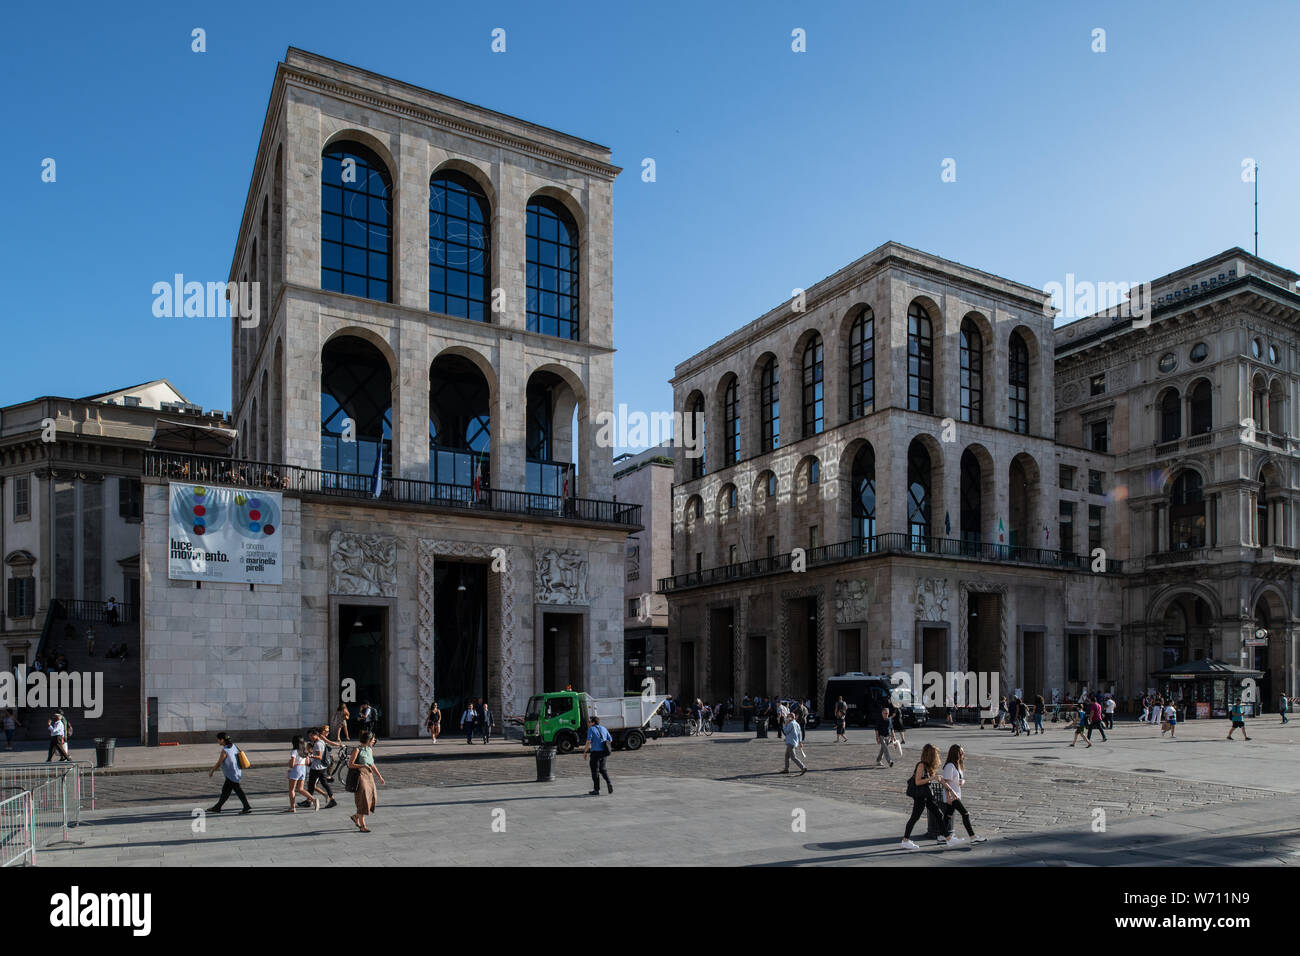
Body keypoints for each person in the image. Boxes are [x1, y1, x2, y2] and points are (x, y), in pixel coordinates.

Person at [901, 744, 960, 849]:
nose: (938, 756)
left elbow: (939, 779)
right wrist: (931, 778)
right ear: (931, 755)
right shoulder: (921, 765)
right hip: (920, 796)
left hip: (927, 796)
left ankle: (948, 839)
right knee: (915, 817)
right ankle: (905, 840)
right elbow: (918, 782)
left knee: (938, 814)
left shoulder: (929, 766)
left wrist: (951, 791)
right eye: (936, 754)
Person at [940, 745, 987, 844]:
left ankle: (941, 836)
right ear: (956, 754)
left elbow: (958, 779)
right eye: (962, 753)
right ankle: (973, 837)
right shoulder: (950, 766)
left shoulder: (958, 765)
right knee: (965, 814)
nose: (963, 754)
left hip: (956, 793)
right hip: (952, 796)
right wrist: (948, 796)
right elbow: (945, 782)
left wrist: (962, 781)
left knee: (948, 816)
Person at [347, 731, 385, 832]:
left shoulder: (369, 750)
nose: (374, 741)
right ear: (368, 740)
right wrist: (362, 765)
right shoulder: (357, 750)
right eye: (373, 740)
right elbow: (350, 764)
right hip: (360, 776)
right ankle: (363, 826)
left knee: (372, 798)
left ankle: (356, 816)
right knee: (363, 799)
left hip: (369, 776)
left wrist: (380, 776)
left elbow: (372, 764)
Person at [207, 732, 252, 813]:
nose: (217, 741)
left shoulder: (225, 750)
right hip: (236, 772)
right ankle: (217, 807)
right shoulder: (233, 746)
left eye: (218, 739)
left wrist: (212, 770)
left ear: (222, 740)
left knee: (235, 790)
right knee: (227, 791)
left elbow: (219, 763)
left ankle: (246, 806)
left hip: (231, 774)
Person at [303, 729, 337, 808]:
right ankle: (309, 800)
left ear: (316, 734)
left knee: (318, 784)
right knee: (317, 784)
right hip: (320, 767)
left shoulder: (318, 744)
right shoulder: (321, 742)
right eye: (309, 736)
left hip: (317, 768)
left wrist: (310, 755)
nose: (310, 737)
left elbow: (319, 756)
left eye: (311, 735)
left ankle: (310, 801)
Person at [286, 735, 319, 812]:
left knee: (291, 790)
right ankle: (313, 799)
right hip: (303, 769)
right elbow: (307, 762)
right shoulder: (305, 751)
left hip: (296, 769)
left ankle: (292, 807)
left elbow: (292, 764)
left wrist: (289, 763)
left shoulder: (294, 751)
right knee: (300, 789)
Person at [583, 714, 614, 795]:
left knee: (595, 771)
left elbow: (588, 741)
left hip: (595, 753)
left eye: (589, 721)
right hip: (604, 752)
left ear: (593, 722)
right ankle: (609, 782)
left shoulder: (591, 729)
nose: (588, 723)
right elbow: (610, 739)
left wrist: (585, 751)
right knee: (603, 769)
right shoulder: (604, 728)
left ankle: (596, 790)